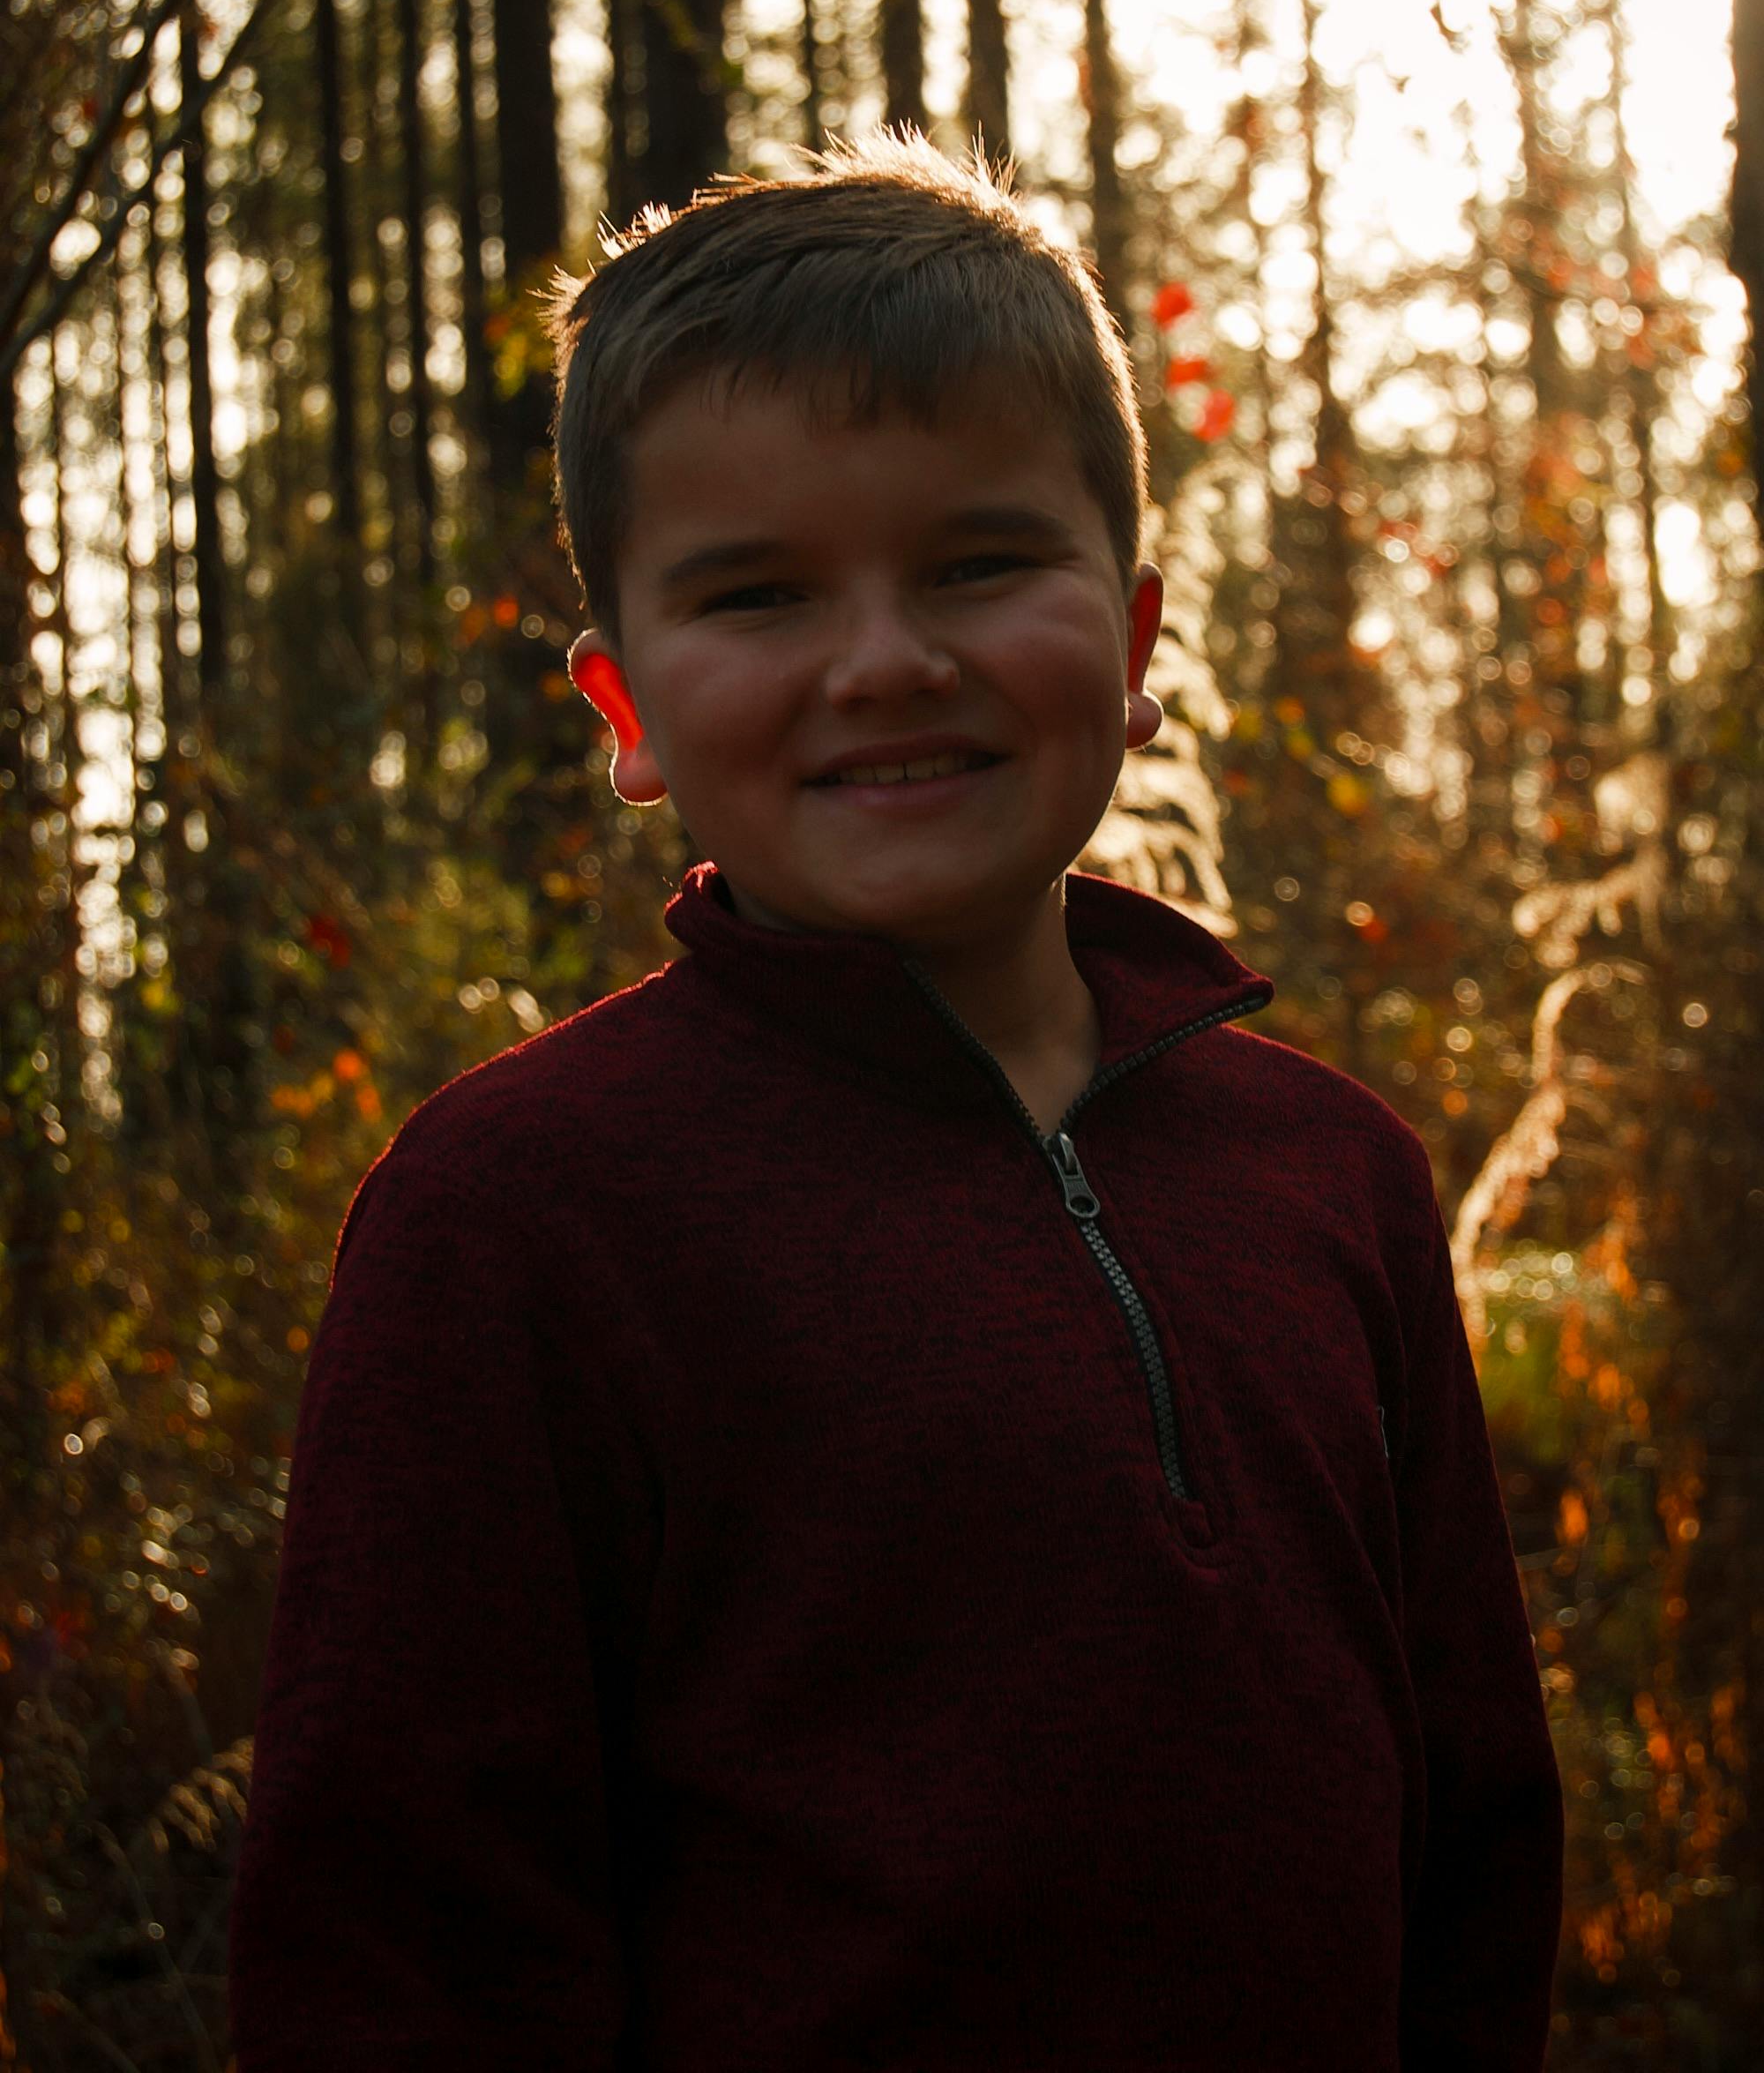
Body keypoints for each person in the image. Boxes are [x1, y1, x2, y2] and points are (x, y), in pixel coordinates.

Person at [228, 133, 1563, 2070]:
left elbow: (1477, 1828)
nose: (885, 660)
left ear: (1131, 643)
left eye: (979, 560)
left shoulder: (1332, 1174)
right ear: (628, 718)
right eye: (759, 595)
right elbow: (406, 1942)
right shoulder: (518, 1215)